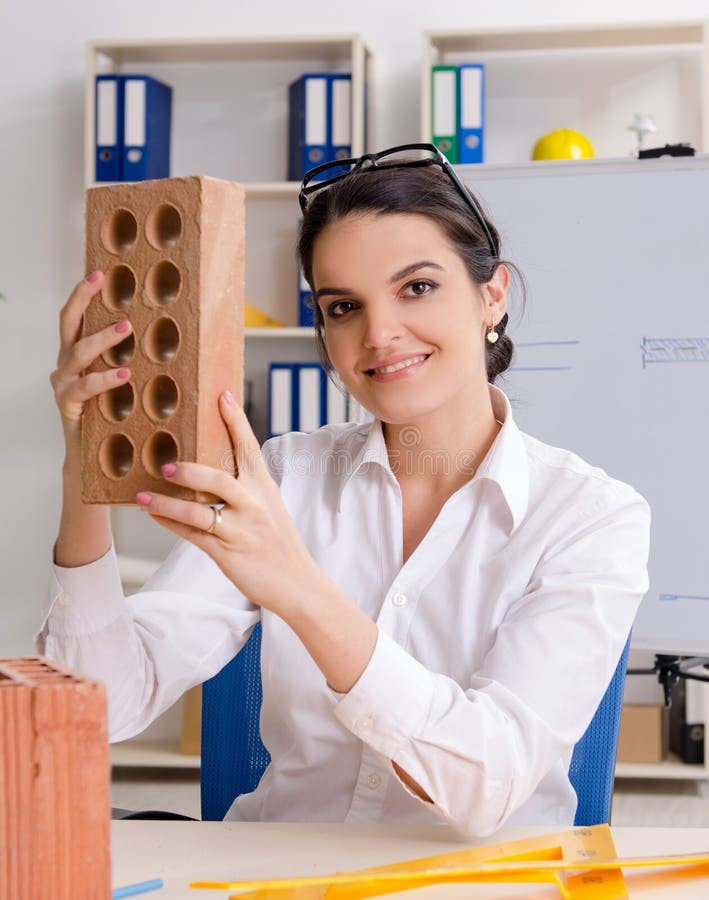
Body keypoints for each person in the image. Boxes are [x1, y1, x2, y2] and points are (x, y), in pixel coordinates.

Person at [39, 144, 650, 838]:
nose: (378, 334)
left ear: (491, 295)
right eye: (342, 306)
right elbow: (102, 704)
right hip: (279, 878)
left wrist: (298, 587)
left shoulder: (591, 518)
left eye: (416, 287)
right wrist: (84, 463)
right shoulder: (284, 475)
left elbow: (489, 782)